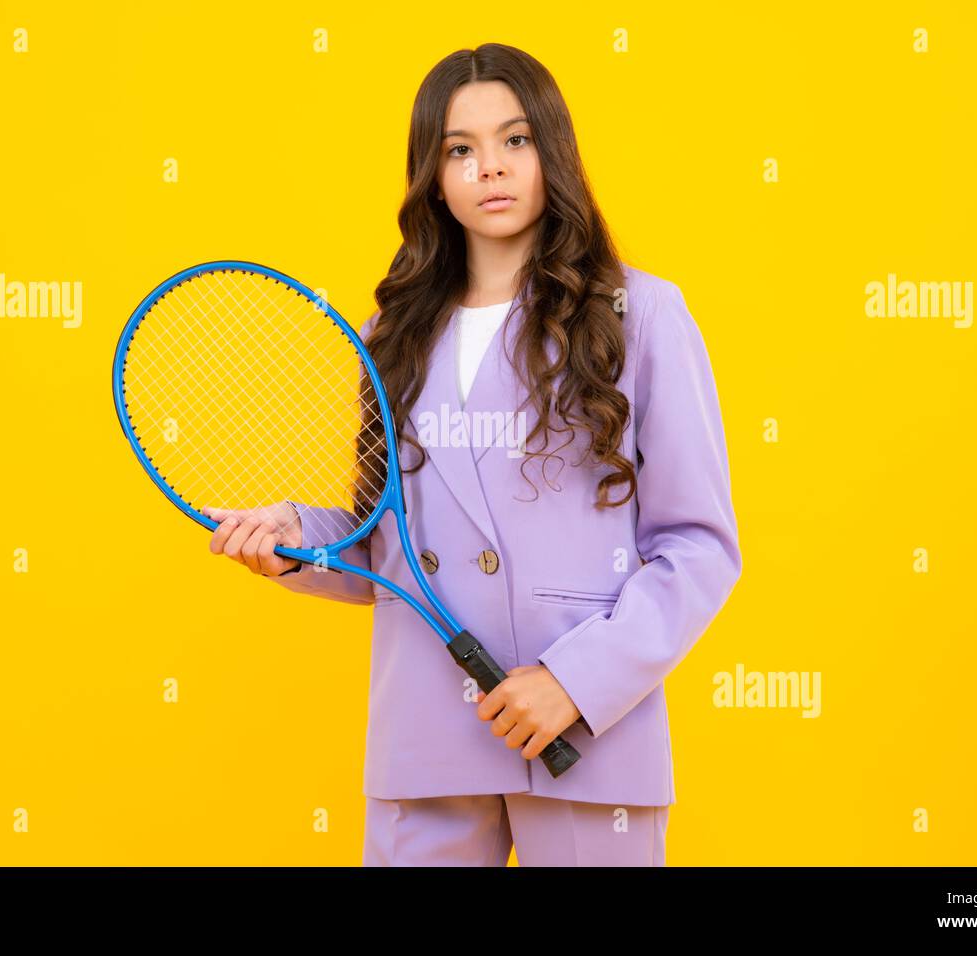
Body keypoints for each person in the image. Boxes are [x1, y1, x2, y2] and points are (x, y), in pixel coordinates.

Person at [202, 43, 742, 866]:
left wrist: (577, 682)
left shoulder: (643, 315)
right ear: (433, 173)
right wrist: (292, 541)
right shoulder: (392, 338)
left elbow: (698, 547)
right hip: (426, 738)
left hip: (585, 739)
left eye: (515, 141)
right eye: (460, 149)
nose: (489, 168)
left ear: (552, 153)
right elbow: (386, 546)